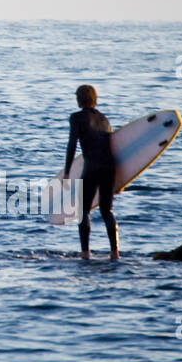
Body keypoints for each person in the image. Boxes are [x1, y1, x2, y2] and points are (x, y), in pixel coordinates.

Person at [64, 84, 119, 260]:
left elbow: (72, 144)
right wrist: (122, 180)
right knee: (106, 211)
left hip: (92, 167)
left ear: (79, 99)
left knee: (83, 210)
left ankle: (85, 252)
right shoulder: (104, 119)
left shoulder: (76, 118)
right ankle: (114, 251)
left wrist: (67, 172)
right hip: (110, 168)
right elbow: (114, 148)